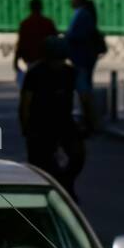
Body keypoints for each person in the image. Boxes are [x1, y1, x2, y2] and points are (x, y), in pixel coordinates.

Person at [20, 35, 86, 197]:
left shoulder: (70, 73)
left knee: (78, 154)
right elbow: (25, 102)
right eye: (55, 60)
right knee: (40, 164)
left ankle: (65, 183)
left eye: (61, 60)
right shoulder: (35, 73)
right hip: (40, 122)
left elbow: (84, 96)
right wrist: (26, 125)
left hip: (64, 121)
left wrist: (89, 120)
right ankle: (48, 193)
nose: (58, 64)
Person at [66, 0, 104, 134]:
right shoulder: (81, 14)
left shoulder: (84, 15)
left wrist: (69, 36)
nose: (71, 1)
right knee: (84, 88)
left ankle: (92, 121)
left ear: (79, 1)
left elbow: (83, 35)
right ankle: (88, 120)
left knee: (84, 90)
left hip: (83, 57)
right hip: (81, 57)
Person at [14, 0, 58, 87]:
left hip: (31, 59)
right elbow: (55, 41)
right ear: (41, 7)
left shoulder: (25, 24)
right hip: (46, 59)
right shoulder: (48, 23)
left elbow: (21, 43)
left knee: (32, 85)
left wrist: (16, 60)